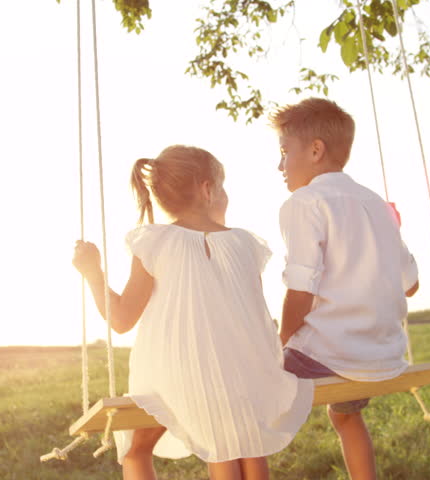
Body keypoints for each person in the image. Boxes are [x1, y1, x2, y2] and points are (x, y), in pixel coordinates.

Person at [73, 145, 313, 480]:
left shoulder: (154, 242)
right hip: (251, 373)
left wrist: (93, 273)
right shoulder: (246, 244)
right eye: (223, 187)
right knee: (245, 437)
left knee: (136, 449)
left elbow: (122, 319)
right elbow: (254, 317)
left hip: (177, 377)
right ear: (207, 189)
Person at [271, 98, 420, 480]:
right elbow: (412, 286)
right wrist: (393, 230)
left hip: (328, 357)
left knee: (246, 387)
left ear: (315, 150)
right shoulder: (377, 205)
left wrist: (278, 346)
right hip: (382, 357)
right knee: (345, 415)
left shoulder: (303, 203)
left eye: (285, 153)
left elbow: (301, 292)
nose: (280, 165)